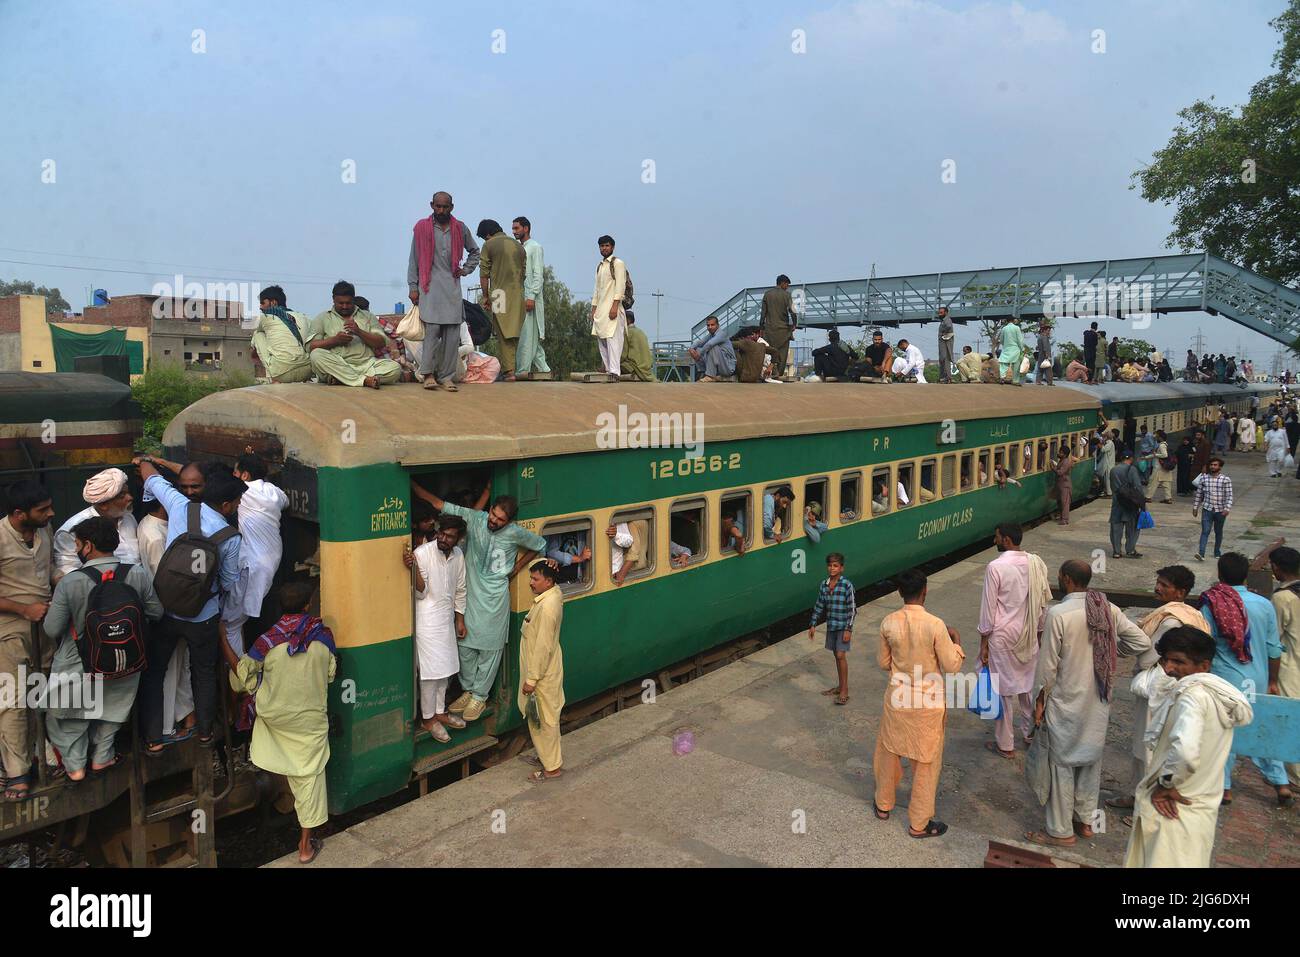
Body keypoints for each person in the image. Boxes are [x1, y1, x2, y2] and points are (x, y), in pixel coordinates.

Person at [1025, 560, 1150, 847]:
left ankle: (1060, 831)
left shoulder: (1058, 613)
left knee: (1061, 766)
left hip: (1065, 701)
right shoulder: (1107, 609)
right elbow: (1141, 643)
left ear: (1067, 579)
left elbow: (1047, 669)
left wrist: (1039, 703)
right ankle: (1086, 823)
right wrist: (1111, 651)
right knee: (1090, 763)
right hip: (1098, 700)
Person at [410, 483, 545, 723]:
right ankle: (469, 689)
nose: (493, 521)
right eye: (493, 514)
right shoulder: (475, 518)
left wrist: (515, 568)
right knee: (465, 646)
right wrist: (412, 485)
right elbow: (439, 505)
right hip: (471, 596)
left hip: (495, 599)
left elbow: (540, 545)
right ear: (490, 509)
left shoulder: (515, 533)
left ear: (509, 522)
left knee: (489, 649)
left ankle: (480, 696)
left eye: (500, 519)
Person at [136, 457, 244, 753]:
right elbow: (229, 581)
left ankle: (154, 738)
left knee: (156, 671)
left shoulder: (179, 505)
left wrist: (143, 461)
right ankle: (206, 733)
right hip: (203, 616)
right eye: (235, 503)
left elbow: (151, 478)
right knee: (204, 673)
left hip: (167, 610)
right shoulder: (229, 536)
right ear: (225, 505)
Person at [223, 580, 335, 864]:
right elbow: (331, 674)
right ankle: (305, 845)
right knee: (309, 777)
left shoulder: (267, 642)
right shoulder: (323, 638)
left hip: (277, 720)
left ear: (280, 608)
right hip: (309, 721)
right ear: (308, 606)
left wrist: (222, 640)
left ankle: (281, 784)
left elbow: (242, 679)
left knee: (287, 761)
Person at [43, 516, 163, 782]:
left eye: (77, 544)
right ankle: (102, 757)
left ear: (87, 546)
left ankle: (75, 766)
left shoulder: (71, 582)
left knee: (66, 716)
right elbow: (156, 612)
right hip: (124, 662)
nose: (76, 549)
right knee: (112, 710)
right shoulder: (137, 573)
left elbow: (52, 629)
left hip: (78, 663)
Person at [1123, 626, 1253, 868]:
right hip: (1199, 807)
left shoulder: (1192, 697)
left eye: (1178, 661)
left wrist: (1166, 785)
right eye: (1166, 660)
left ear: (1203, 666)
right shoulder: (1218, 694)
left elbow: (1184, 752)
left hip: (1174, 808)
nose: (1169, 668)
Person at [1105, 565, 1209, 821]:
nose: (1158, 588)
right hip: (1174, 689)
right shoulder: (1191, 614)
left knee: (1147, 748)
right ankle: (1135, 795)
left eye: (1165, 585)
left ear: (1180, 591)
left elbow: (1150, 655)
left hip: (1160, 691)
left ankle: (1144, 809)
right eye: (1159, 583)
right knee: (1151, 746)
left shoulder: (1171, 620)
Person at [871, 568, 962, 837]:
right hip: (927, 705)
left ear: (900, 593)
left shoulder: (888, 622)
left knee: (888, 753)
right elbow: (951, 665)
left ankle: (883, 805)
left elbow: (883, 662)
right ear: (925, 591)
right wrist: (955, 641)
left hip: (897, 701)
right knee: (926, 764)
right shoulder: (935, 625)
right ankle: (919, 824)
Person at [1201, 552, 1293, 806]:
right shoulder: (1264, 604)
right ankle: (1281, 784)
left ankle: (1225, 788)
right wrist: (1272, 680)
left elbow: (1205, 642)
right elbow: (1274, 648)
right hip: (1259, 676)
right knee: (1262, 728)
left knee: (1225, 731)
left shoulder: (1212, 603)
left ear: (1220, 574)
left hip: (1226, 676)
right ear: (1246, 575)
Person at [0, 481, 55, 800]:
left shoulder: (44, 531)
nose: (51, 512)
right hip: (11, 630)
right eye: (43, 509)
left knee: (42, 695)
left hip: (45, 627)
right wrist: (23, 608)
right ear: (20, 514)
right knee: (14, 700)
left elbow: (47, 571)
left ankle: (40, 756)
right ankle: (16, 772)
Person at [977, 522, 1051, 759]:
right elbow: (1042, 604)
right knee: (1028, 686)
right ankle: (1030, 734)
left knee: (1003, 691)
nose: (995, 541)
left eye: (997, 537)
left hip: (1002, 635)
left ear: (1007, 539)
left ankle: (1006, 744)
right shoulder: (1037, 564)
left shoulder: (995, 567)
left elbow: (988, 611)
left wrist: (983, 642)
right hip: (1028, 632)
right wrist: (1039, 632)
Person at [409, 191, 481, 392]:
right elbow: (413, 260)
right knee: (431, 332)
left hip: (452, 288)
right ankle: (428, 374)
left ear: (452, 207)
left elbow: (475, 252)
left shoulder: (460, 228)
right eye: (438, 206)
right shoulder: (422, 228)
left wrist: (465, 270)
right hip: (429, 288)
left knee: (451, 334)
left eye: (445, 207)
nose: (441, 210)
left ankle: (446, 377)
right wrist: (413, 287)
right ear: (432, 205)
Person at [405, 514, 467, 743]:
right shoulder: (422, 553)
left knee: (447, 670)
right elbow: (421, 592)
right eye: (441, 533)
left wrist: (459, 619)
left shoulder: (458, 555)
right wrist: (413, 570)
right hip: (427, 621)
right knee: (431, 674)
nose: (443, 538)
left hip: (446, 619)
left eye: (449, 536)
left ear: (458, 539)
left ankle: (440, 712)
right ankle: (428, 718)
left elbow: (460, 588)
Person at [223, 451, 287, 658]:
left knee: (230, 624)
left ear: (244, 476)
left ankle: (238, 676)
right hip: (271, 561)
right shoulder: (275, 492)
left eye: (235, 472)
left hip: (252, 565)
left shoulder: (243, 491)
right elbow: (284, 503)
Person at [305, 281, 402, 389]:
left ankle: (343, 379)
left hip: (366, 365)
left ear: (353, 299)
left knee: (395, 368)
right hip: (337, 365)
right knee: (316, 355)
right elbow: (311, 347)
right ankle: (363, 380)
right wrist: (335, 340)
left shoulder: (367, 316)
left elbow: (380, 342)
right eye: (341, 303)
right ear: (333, 300)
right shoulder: (322, 318)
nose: (345, 306)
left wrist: (359, 332)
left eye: (348, 303)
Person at [518, 561, 565, 782]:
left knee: (544, 720)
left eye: (535, 579)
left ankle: (552, 769)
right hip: (545, 671)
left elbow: (543, 647)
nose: (531, 583)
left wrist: (532, 678)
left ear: (548, 581)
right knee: (543, 719)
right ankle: (546, 758)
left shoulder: (547, 607)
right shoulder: (551, 595)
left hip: (542, 675)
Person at [52, 468, 139, 581]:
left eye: (128, 492)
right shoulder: (72, 530)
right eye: (122, 496)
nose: (130, 498)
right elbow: (69, 572)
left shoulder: (128, 517)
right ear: (103, 505)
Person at [477, 219, 527, 380]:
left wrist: (485, 296)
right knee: (512, 333)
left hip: (499, 294)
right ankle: (510, 368)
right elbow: (523, 274)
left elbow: (484, 273)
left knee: (502, 331)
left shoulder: (489, 245)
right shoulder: (519, 246)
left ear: (488, 234)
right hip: (518, 294)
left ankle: (509, 372)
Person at [1269, 546, 1300, 788]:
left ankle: (1294, 775)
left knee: (1289, 719)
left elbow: (1274, 637)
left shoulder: (1282, 598)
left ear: (1276, 568)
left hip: (1291, 665)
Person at [807, 552, 855, 706]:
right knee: (836, 656)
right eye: (829, 565)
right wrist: (813, 623)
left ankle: (844, 691)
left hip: (842, 626)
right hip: (832, 626)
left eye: (835, 566)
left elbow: (852, 608)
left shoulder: (847, 585)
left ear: (841, 568)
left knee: (841, 655)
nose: (832, 568)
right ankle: (840, 686)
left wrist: (848, 629)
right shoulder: (824, 585)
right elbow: (820, 604)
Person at [511, 217, 551, 377]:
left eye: (517, 228)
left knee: (527, 338)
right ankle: (544, 371)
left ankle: (522, 371)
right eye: (513, 228)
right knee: (529, 337)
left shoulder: (535, 247)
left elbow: (538, 274)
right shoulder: (520, 248)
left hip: (530, 298)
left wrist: (532, 296)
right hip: (520, 298)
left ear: (526, 228)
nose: (514, 231)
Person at [250, 285, 313, 383]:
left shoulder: (266, 316)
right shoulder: (303, 317)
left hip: (282, 374)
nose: (260, 307)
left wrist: (253, 352)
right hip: (307, 370)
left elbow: (255, 341)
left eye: (263, 303)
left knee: (258, 334)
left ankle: (273, 378)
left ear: (273, 302)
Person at [591, 235, 628, 377]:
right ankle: (608, 369)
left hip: (613, 308)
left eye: (607, 246)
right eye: (602, 246)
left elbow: (620, 286)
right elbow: (596, 289)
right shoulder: (600, 266)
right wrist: (593, 309)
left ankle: (614, 371)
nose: (604, 248)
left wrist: (615, 306)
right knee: (601, 338)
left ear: (612, 247)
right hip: (601, 308)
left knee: (613, 340)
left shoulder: (617, 263)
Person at [1108, 449, 1147, 559]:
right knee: (1133, 529)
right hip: (1131, 504)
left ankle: (1116, 551)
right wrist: (1142, 503)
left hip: (1117, 503)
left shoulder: (1113, 470)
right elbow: (1138, 487)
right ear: (1131, 458)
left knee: (1116, 528)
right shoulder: (1132, 469)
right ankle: (1130, 550)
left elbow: (1113, 487)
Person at [1192, 456, 1232, 562]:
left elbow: (1229, 496)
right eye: (1211, 465)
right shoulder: (1204, 478)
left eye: (1215, 465)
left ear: (1220, 467)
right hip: (1207, 509)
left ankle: (1217, 551)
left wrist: (1227, 508)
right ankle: (1201, 553)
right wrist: (1195, 507)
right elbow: (1199, 494)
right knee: (1205, 531)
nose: (1213, 467)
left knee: (1218, 531)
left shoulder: (1225, 479)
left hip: (1220, 510)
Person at [760, 275, 797, 378]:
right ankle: (778, 374)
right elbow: (793, 311)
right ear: (782, 283)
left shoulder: (767, 294)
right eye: (787, 284)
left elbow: (763, 313)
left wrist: (761, 327)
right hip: (783, 330)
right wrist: (794, 324)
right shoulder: (787, 295)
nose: (787, 287)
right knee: (782, 353)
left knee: (769, 353)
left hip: (769, 330)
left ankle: (767, 373)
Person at [689, 315, 736, 382]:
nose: (710, 327)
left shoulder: (721, 334)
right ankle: (704, 372)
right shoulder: (711, 335)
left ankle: (710, 376)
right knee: (697, 348)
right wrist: (691, 349)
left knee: (711, 347)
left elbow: (709, 344)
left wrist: (699, 355)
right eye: (708, 325)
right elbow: (700, 342)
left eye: (712, 325)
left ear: (718, 325)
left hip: (728, 367)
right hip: (720, 367)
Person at [620, 312, 654, 381]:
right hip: (647, 367)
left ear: (628, 320)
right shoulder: (641, 332)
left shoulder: (627, 332)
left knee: (615, 365)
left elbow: (623, 355)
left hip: (636, 367)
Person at [1145, 429, 1174, 505]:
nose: (1155, 438)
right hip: (1165, 468)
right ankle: (1168, 498)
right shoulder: (1165, 445)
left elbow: (1164, 455)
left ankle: (1148, 497)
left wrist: (1155, 455)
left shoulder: (1161, 445)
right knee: (1166, 483)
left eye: (1156, 436)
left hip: (1159, 468)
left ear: (1160, 437)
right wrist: (1146, 457)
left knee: (1152, 482)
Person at [997, 319, 1026, 385]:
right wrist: (1022, 348)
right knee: (1016, 366)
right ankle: (1015, 381)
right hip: (1015, 349)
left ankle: (1002, 377)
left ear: (1007, 321)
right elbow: (1019, 340)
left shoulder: (1004, 328)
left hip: (1006, 349)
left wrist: (1005, 344)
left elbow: (1001, 340)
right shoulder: (1017, 328)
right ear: (1014, 321)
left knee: (1003, 364)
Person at [936, 306, 955, 383]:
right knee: (942, 359)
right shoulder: (944, 320)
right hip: (943, 342)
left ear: (946, 313)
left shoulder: (947, 319)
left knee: (945, 358)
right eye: (939, 313)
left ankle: (947, 377)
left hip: (946, 342)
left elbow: (949, 326)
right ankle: (943, 377)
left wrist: (944, 332)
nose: (939, 314)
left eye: (941, 313)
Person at [1096, 429, 1116, 497]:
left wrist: (1100, 445)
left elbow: (1104, 450)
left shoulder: (1109, 443)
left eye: (1104, 436)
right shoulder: (1108, 443)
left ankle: (1109, 493)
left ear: (1107, 437)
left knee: (1108, 479)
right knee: (1106, 478)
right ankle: (1107, 491)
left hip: (1108, 464)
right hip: (1107, 463)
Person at [1035, 320, 1054, 386]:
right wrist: (1047, 356)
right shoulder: (1045, 337)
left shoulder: (1039, 337)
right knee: (1048, 369)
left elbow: (1038, 347)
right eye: (1048, 330)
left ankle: (1038, 381)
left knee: (1040, 369)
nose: (1049, 332)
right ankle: (1050, 382)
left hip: (1040, 355)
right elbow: (1045, 347)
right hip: (1045, 355)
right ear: (1044, 330)